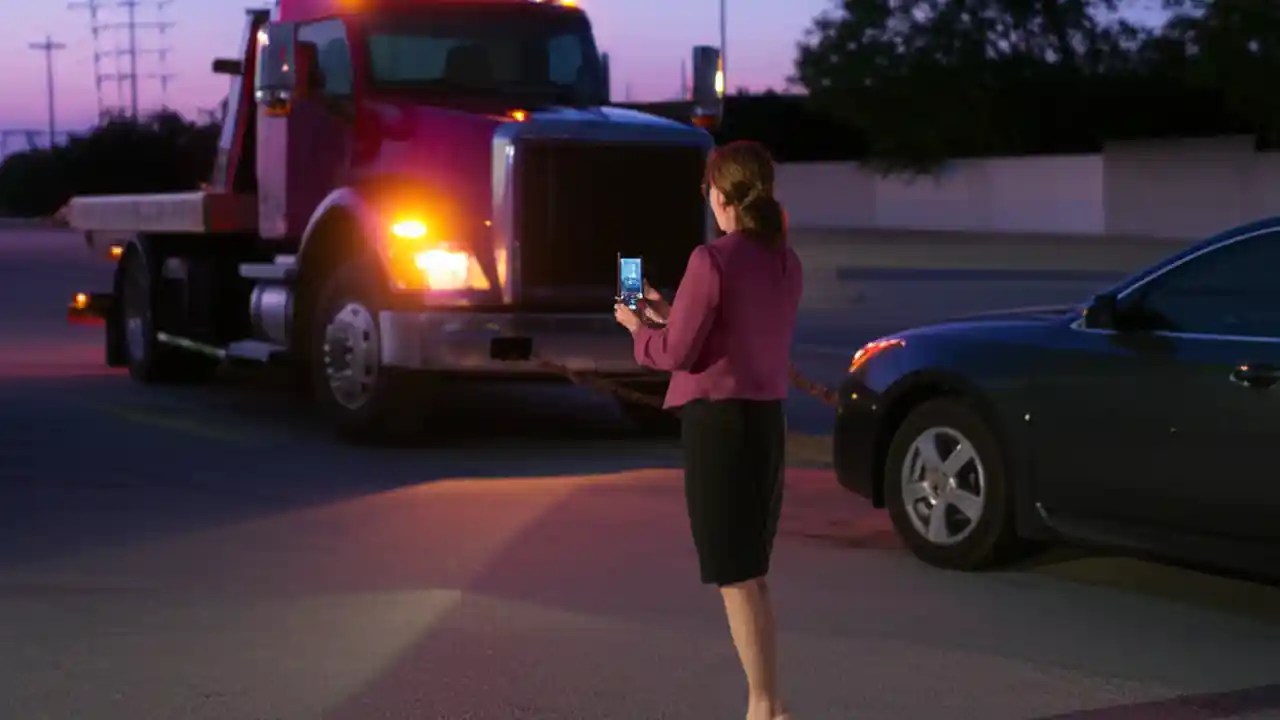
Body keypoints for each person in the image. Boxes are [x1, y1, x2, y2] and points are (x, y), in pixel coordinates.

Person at [614, 141, 803, 720]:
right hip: (765, 423)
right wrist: (672, 311)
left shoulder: (712, 260)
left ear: (719, 196)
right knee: (751, 573)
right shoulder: (784, 260)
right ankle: (770, 705)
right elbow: (728, 332)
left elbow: (676, 352)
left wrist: (636, 328)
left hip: (719, 428)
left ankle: (764, 709)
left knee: (735, 574)